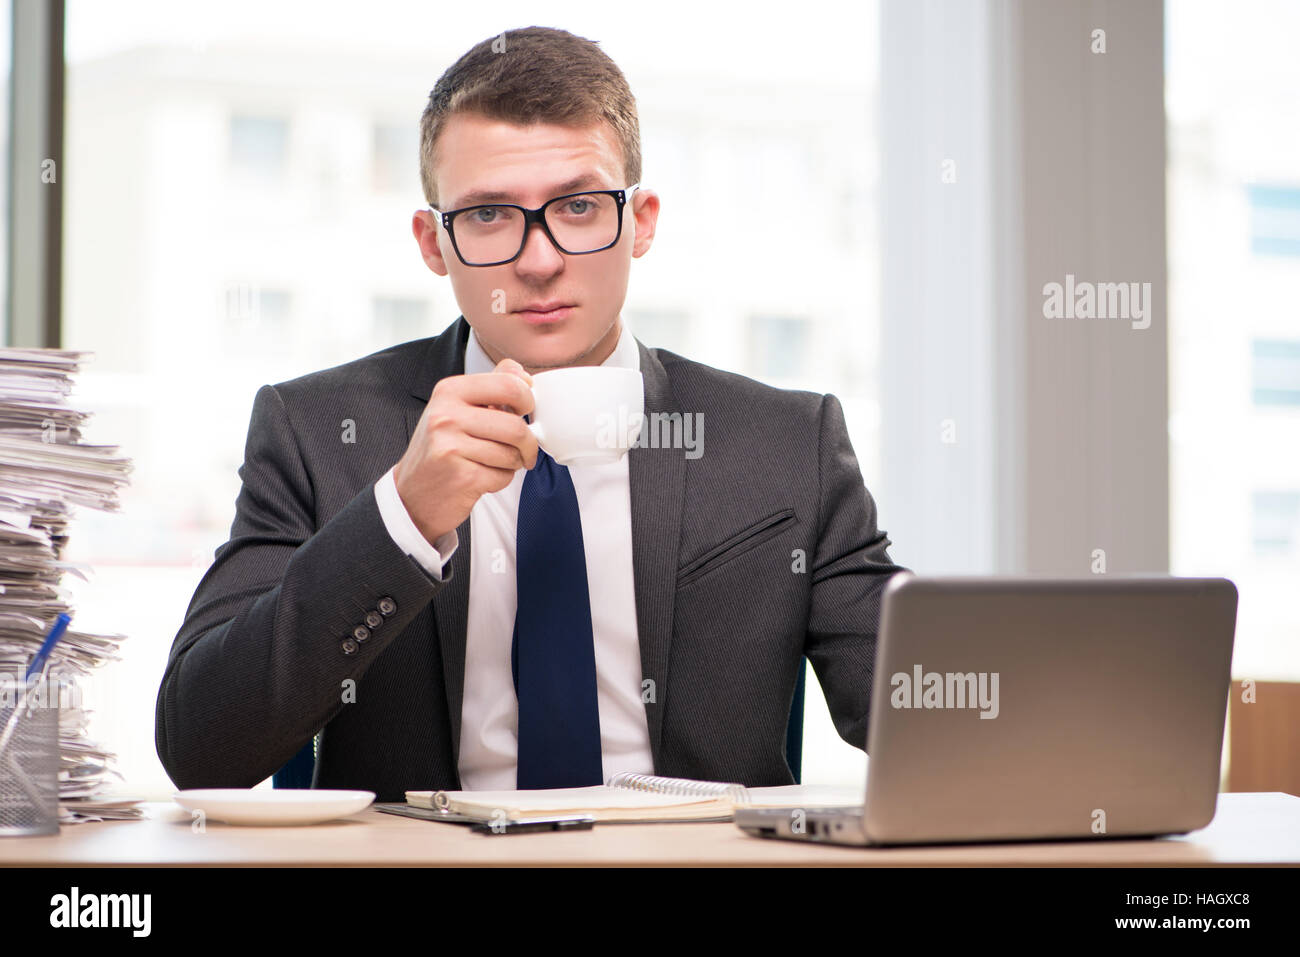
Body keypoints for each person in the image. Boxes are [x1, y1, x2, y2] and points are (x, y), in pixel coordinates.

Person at [155, 25, 905, 801]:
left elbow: (921, 711)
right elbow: (200, 747)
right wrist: (401, 516)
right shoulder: (313, 431)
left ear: (641, 220)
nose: (539, 260)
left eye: (579, 206)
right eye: (487, 215)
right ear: (431, 241)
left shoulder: (786, 444)